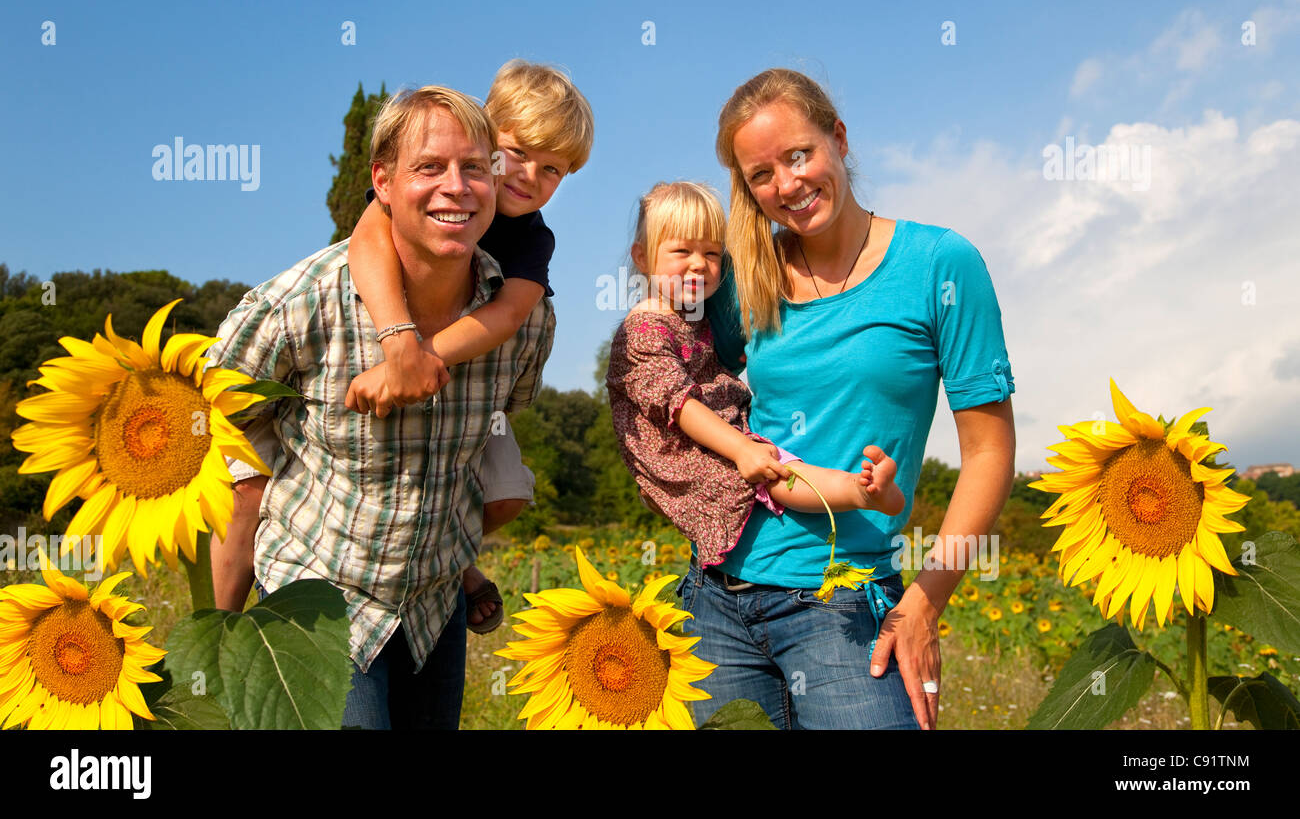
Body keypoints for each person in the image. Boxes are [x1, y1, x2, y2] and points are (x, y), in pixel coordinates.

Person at [206, 85, 554, 729]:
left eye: (474, 168)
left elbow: (491, 434)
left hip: (432, 605)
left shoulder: (525, 324)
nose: (456, 186)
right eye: (429, 167)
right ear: (382, 183)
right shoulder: (302, 303)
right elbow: (210, 413)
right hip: (318, 601)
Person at [685, 68, 1016, 730]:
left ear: (838, 138)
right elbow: (672, 384)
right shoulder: (742, 277)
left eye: (799, 155)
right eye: (761, 175)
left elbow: (988, 455)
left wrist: (925, 601)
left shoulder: (939, 264)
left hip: (842, 605)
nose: (788, 184)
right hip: (715, 604)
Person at [345, 60, 593, 634]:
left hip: (468, 388)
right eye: (517, 152)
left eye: (552, 168)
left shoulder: (533, 239)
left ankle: (450, 563)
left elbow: (509, 313)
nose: (529, 175)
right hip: (390, 355)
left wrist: (429, 355)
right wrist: (399, 342)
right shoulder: (439, 196)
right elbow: (366, 238)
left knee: (507, 494)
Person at [605, 181, 904, 569]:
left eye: (712, 253)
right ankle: (859, 493)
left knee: (779, 463)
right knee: (771, 473)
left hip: (714, 431)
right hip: (682, 446)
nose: (700, 264)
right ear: (642, 258)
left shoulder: (692, 315)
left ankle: (862, 491)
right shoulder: (645, 329)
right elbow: (682, 406)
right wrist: (740, 449)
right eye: (681, 251)